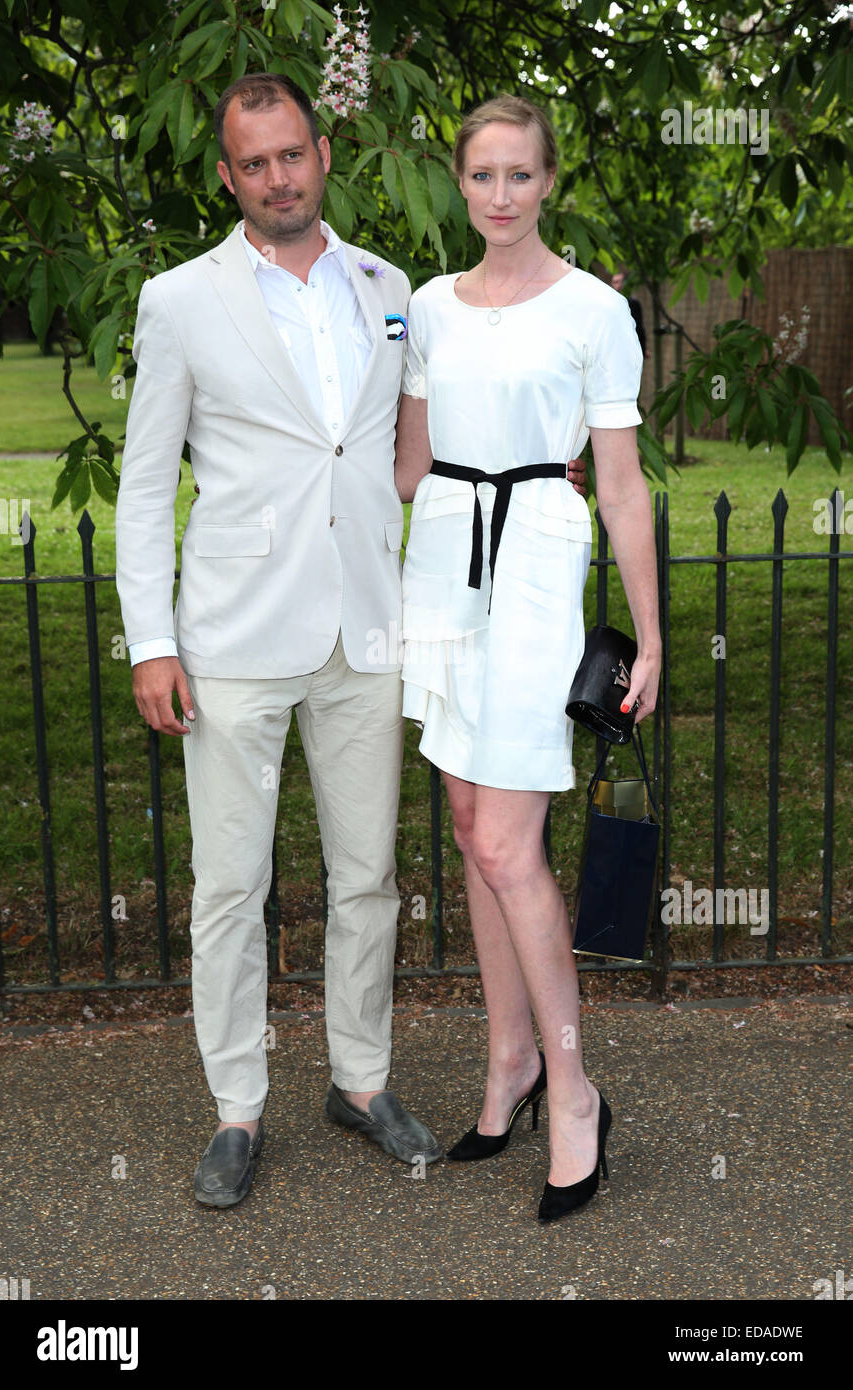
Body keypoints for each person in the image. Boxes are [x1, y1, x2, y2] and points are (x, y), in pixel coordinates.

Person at [114, 73, 459, 1207]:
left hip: (365, 630)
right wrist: (149, 642)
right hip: (233, 639)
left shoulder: (385, 283)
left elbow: (402, 451)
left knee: (367, 877)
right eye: (252, 163)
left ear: (321, 154)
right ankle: (237, 1107)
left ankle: (360, 1084)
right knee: (230, 884)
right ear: (227, 175)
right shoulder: (178, 299)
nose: (276, 178)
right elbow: (141, 483)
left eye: (291, 155)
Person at [394, 94, 661, 1224]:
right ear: (458, 184)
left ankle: (575, 1092)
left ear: (547, 181)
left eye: (519, 175)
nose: (499, 195)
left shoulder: (594, 310)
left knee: (509, 842)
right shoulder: (426, 307)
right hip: (444, 557)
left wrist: (649, 634)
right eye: (480, 176)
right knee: (466, 821)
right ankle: (507, 1061)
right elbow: (408, 465)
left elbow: (621, 484)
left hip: (539, 567)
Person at [611, 267, 648, 358]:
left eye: (617, 282)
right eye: (613, 282)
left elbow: (638, 327)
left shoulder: (632, 304)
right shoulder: (608, 302)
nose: (613, 285)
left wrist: (642, 349)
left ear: (624, 284)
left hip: (628, 350)